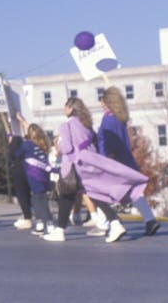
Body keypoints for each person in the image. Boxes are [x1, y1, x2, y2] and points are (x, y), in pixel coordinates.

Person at [43, 97, 149, 243]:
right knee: (94, 194)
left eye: (65, 106)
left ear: (70, 108)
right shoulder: (85, 124)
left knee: (67, 196)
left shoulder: (65, 126)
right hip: (88, 163)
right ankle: (114, 223)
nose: (63, 109)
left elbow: (66, 148)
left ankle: (61, 231)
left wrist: (59, 143)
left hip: (74, 167)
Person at [98, 87, 161, 236]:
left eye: (103, 102)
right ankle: (150, 220)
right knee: (134, 192)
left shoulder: (108, 119)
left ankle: (105, 224)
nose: (101, 105)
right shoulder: (120, 118)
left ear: (109, 102)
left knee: (103, 192)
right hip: (126, 159)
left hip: (113, 161)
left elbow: (107, 142)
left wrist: (105, 161)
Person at [13, 124, 54, 236]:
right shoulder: (43, 145)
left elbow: (17, 154)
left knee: (37, 201)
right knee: (43, 199)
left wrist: (14, 140)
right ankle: (41, 224)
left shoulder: (27, 145)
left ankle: (49, 224)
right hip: (44, 176)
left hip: (34, 176)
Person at [9, 114, 33, 230]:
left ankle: (27, 217)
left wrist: (22, 121)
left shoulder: (22, 141)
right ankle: (27, 214)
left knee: (22, 193)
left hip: (20, 166)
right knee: (26, 193)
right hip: (26, 167)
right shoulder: (24, 139)